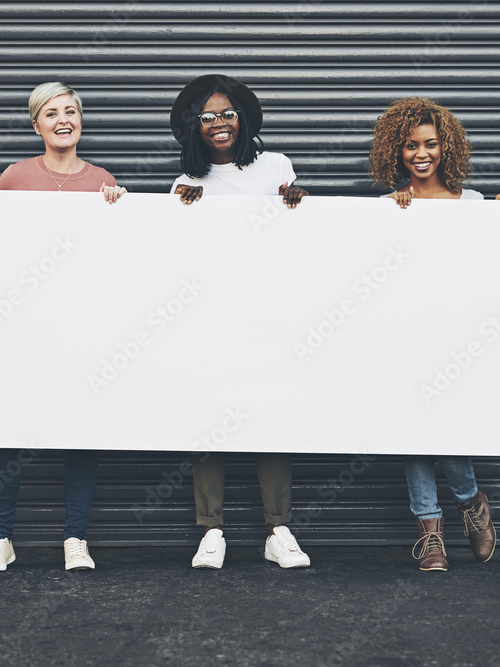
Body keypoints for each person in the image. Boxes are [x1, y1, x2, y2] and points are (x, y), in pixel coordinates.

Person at [0, 82, 125, 572]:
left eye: (71, 111)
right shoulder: (16, 176)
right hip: (19, 326)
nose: (63, 119)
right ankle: (0, 538)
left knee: (79, 433)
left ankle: (76, 539)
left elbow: (116, 259)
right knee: (5, 429)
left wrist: (122, 212)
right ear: (36, 124)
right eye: (52, 113)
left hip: (80, 328)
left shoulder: (103, 181)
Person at [367, 96, 500, 572]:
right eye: (411, 145)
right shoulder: (386, 206)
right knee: (412, 435)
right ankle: (430, 534)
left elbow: (492, 263)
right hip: (404, 337)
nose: (421, 153)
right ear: (396, 151)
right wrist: (391, 217)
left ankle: (471, 502)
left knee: (448, 428)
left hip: (457, 339)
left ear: (445, 147)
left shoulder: (474, 205)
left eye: (430, 144)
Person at [169, 74, 310, 569]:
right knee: (210, 422)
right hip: (208, 319)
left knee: (268, 418)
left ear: (243, 119)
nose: (218, 124)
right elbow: (178, 255)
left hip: (269, 313)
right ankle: (211, 532)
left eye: (227, 114)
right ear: (195, 128)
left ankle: (279, 530)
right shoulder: (187, 183)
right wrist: (183, 214)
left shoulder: (275, 167)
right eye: (206, 117)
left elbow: (296, 239)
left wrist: (297, 206)